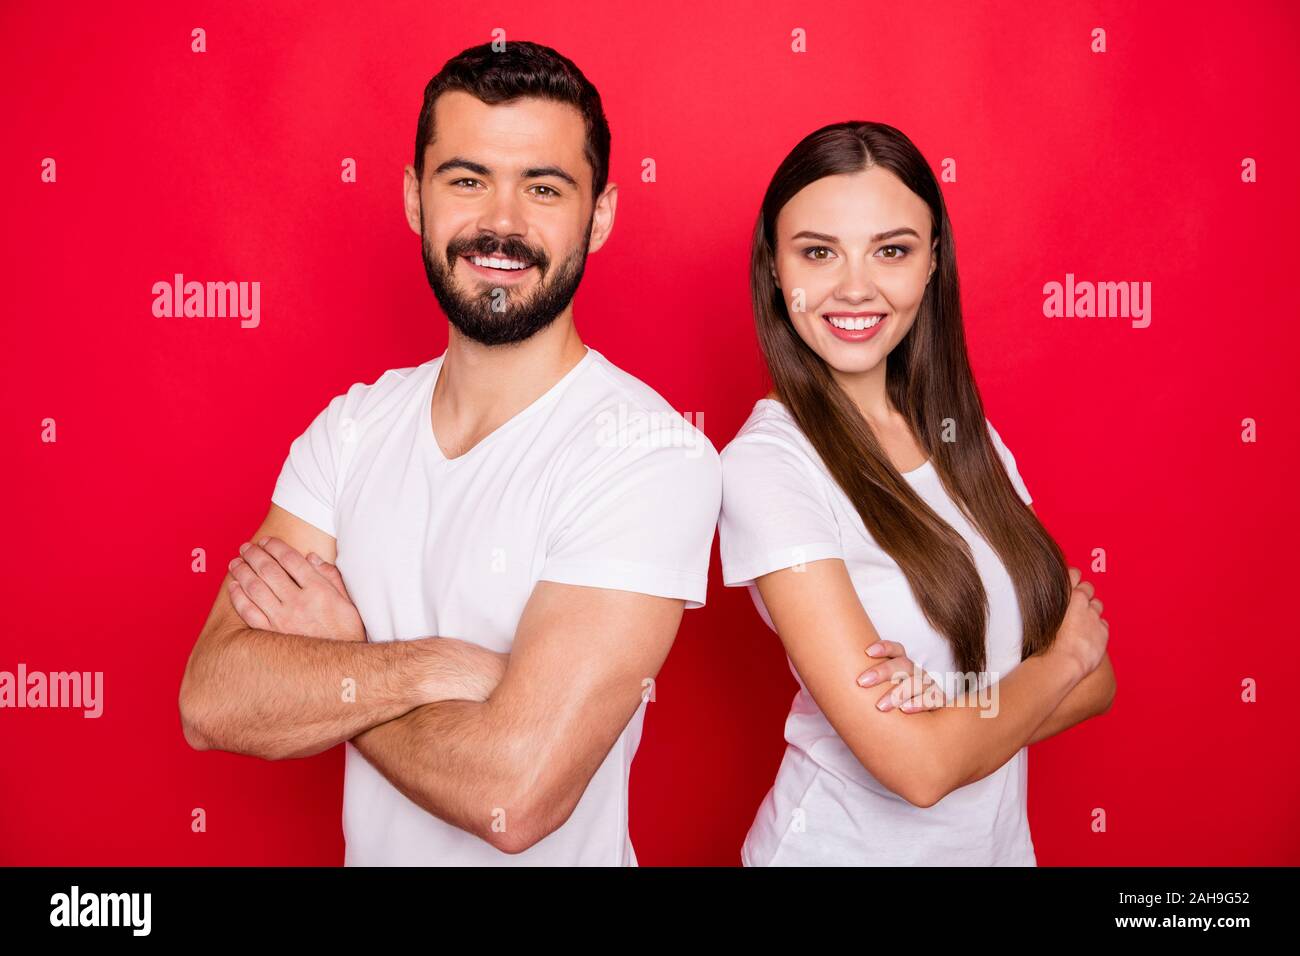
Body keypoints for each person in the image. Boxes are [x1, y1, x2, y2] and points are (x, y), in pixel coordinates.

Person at [178, 40, 721, 866]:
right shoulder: (352, 428)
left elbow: (513, 798)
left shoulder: (648, 453)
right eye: (467, 180)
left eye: (543, 188)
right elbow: (213, 698)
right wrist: (435, 667)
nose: (501, 223)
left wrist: (342, 659)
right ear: (413, 197)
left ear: (600, 215)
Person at [717, 120, 1116, 866]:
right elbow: (918, 769)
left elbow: (1103, 683)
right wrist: (1053, 666)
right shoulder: (767, 466)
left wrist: (955, 708)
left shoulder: (964, 436)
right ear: (775, 267)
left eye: (892, 250)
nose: (856, 287)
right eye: (818, 252)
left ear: (933, 263)